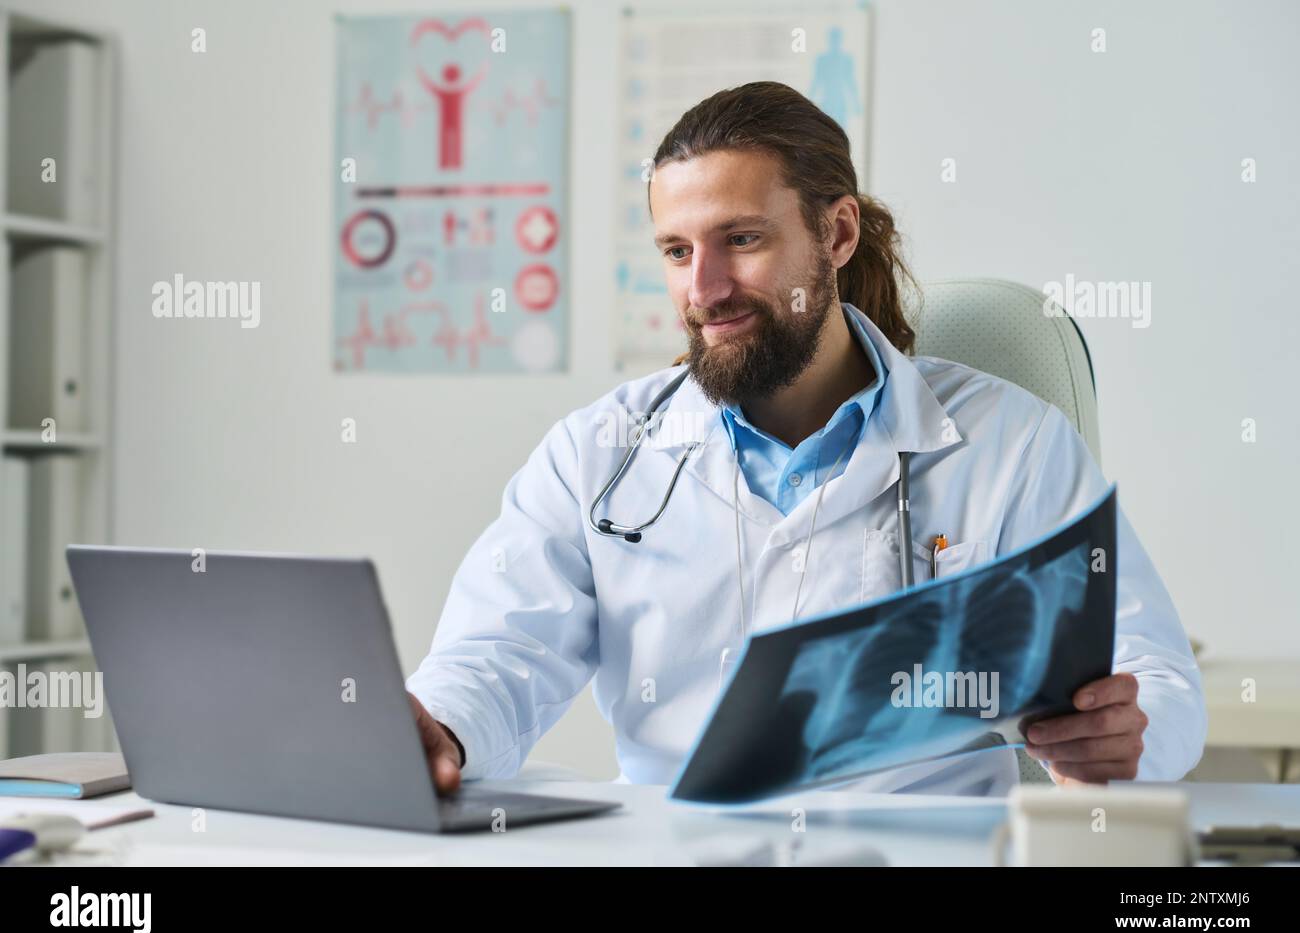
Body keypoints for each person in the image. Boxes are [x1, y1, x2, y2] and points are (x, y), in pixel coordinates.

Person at [406, 81, 1205, 797]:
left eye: (741, 241)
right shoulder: (600, 451)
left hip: (924, 854)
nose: (703, 290)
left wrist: (1129, 730)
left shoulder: (1011, 442)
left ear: (838, 233)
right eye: (678, 252)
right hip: (677, 852)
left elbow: (1152, 671)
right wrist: (438, 727)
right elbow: (497, 652)